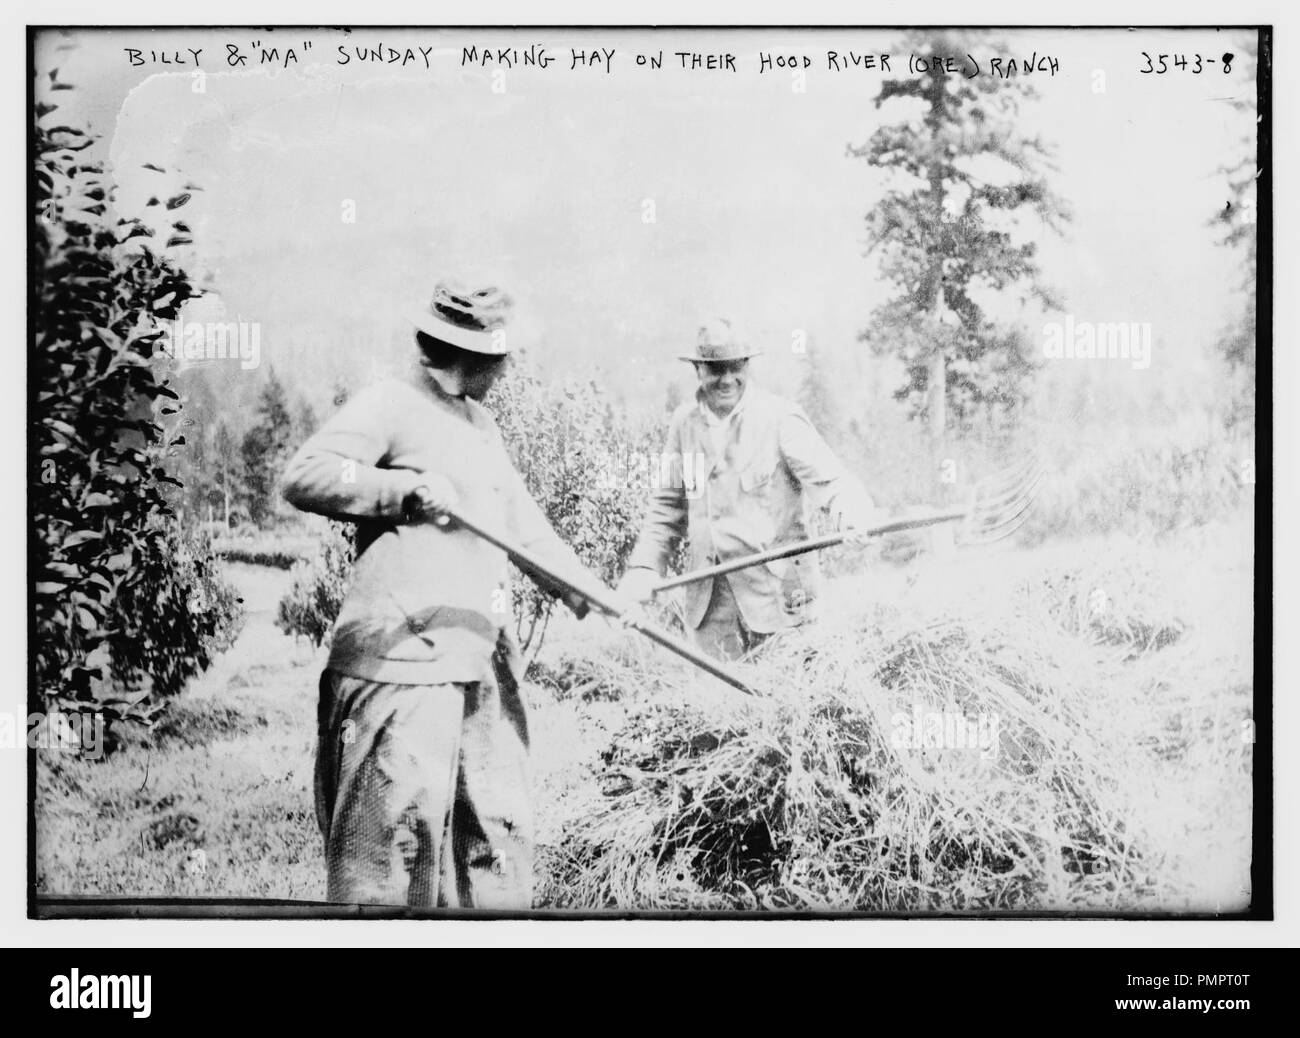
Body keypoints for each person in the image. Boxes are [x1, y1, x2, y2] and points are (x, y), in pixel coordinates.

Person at [281, 278, 610, 909]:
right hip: (403, 665)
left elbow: (524, 528)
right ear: (474, 353)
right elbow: (306, 476)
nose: (511, 368)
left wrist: (593, 592)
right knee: (392, 857)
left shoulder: (481, 425)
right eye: (504, 356)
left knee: (496, 844)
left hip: (479, 662)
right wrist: (401, 490)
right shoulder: (391, 403)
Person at [618, 317, 876, 661]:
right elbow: (666, 510)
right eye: (716, 369)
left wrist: (853, 512)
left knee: (788, 705)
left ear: (748, 366)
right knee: (721, 709)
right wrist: (644, 570)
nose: (727, 379)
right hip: (711, 613)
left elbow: (832, 481)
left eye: (735, 367)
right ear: (698, 370)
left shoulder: (780, 417)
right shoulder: (685, 425)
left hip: (781, 604)